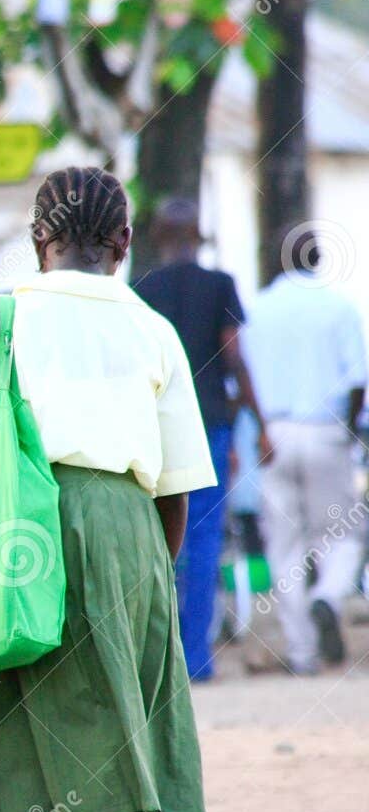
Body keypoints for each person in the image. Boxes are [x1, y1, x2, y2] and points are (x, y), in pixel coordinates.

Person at [0, 167, 214, 812]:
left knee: (21, 732)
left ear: (37, 240)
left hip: (8, 525)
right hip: (122, 527)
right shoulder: (152, 330)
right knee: (102, 738)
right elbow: (176, 484)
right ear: (124, 240)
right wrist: (153, 575)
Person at [133, 198, 270, 679]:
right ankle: (195, 659)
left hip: (153, 429)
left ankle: (158, 657)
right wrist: (260, 422)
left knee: (157, 540)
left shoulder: (141, 288)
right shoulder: (219, 284)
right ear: (198, 233)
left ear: (156, 235)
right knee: (205, 539)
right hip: (209, 425)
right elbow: (233, 356)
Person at [244, 228, 368, 673]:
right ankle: (328, 597)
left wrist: (259, 431)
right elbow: (358, 381)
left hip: (273, 433)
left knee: (285, 546)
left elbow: (242, 378)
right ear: (318, 258)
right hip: (326, 430)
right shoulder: (339, 307)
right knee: (343, 536)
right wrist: (348, 432)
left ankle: (302, 653)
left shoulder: (257, 308)